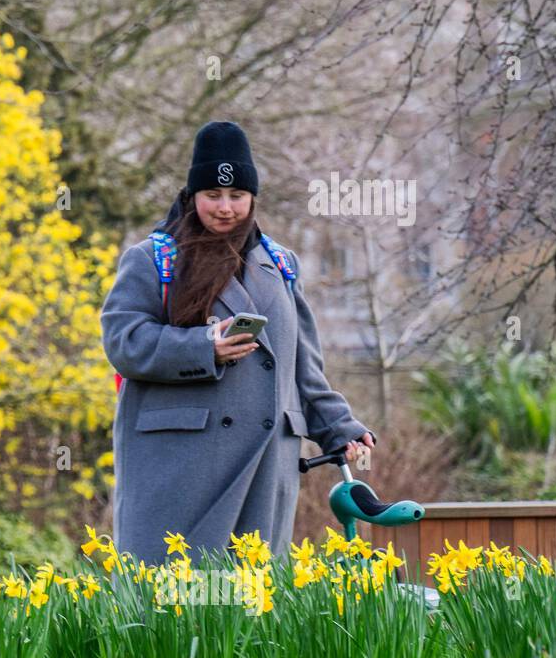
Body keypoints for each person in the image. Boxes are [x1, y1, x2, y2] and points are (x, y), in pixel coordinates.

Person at [101, 120, 376, 567]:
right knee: (172, 603)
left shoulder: (281, 263)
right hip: (180, 464)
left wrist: (339, 426)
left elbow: (302, 366)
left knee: (247, 607)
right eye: (212, 195)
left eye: (237, 196)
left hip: (266, 465)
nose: (225, 208)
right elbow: (124, 341)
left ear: (253, 199)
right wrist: (202, 348)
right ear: (192, 197)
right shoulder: (153, 259)